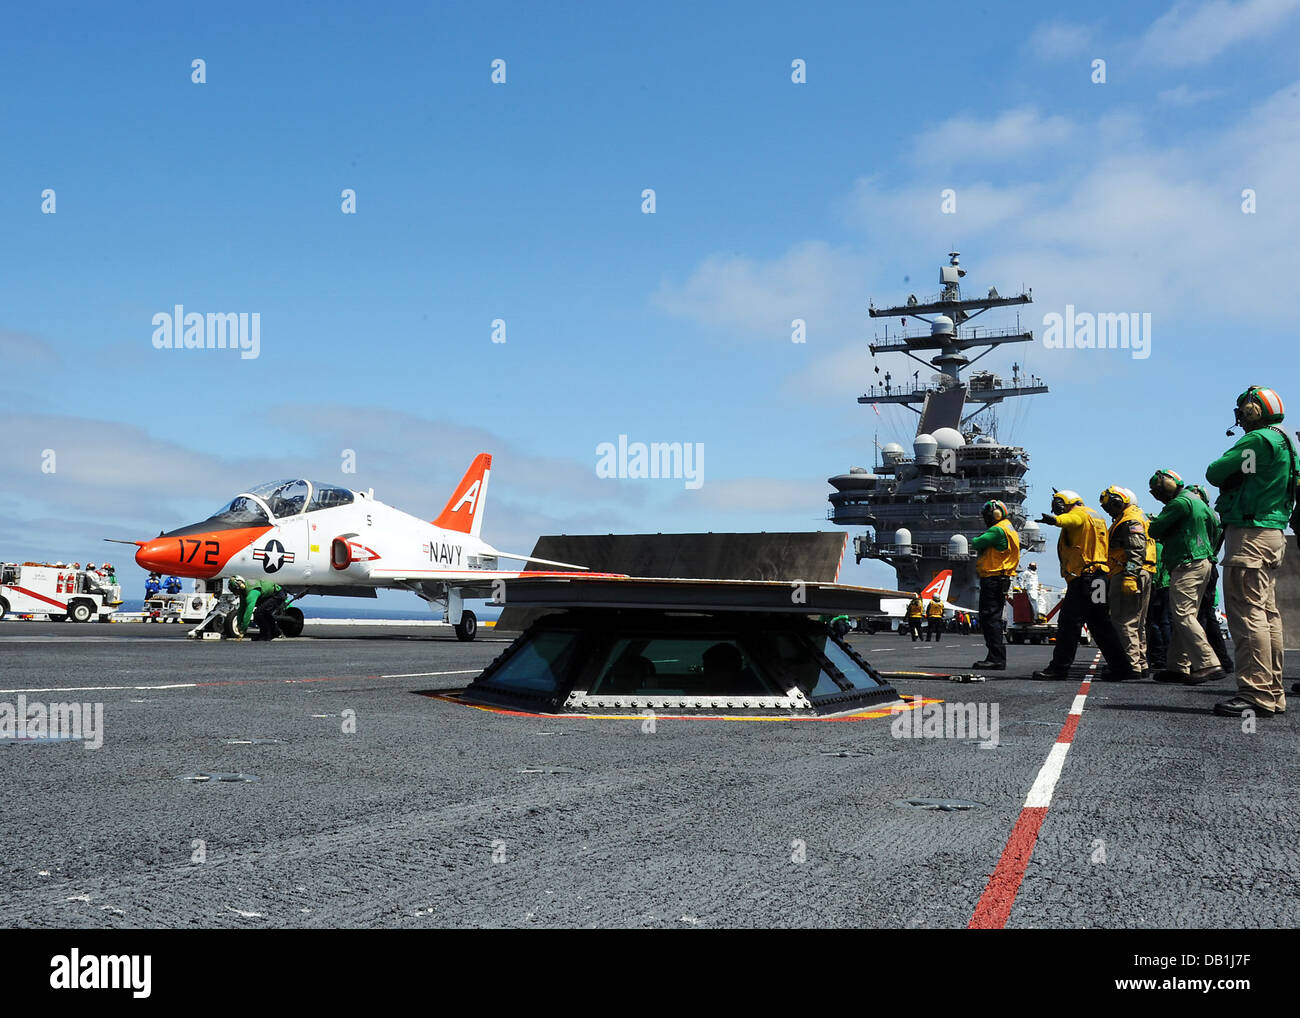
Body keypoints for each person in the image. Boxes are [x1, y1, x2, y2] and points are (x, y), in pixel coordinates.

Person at [1205, 386, 1298, 717]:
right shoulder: (1285, 441)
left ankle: (1255, 692)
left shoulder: (1258, 440)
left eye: (1244, 410)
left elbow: (1215, 472)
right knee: (1267, 614)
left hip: (1250, 533)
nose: (1241, 416)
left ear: (1252, 410)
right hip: (1273, 533)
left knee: (1247, 614)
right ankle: (1272, 691)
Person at [1032, 489, 1133, 680]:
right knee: (1101, 624)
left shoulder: (1077, 514)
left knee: (1068, 623)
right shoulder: (1095, 515)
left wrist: (1054, 520)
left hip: (1084, 579)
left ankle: (1059, 668)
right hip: (1100, 577)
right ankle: (1122, 668)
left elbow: (1071, 520)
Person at [1147, 470, 1226, 684]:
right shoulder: (1202, 505)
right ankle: (1177, 666)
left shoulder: (1179, 503)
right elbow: (1217, 532)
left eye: (1157, 491)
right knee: (1186, 614)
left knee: (1182, 614)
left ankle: (1209, 663)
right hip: (1204, 562)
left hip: (1186, 563)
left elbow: (1154, 530)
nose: (1157, 495)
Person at [1099, 486, 1155, 679]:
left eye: (1109, 505)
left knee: (1123, 621)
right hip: (1141, 573)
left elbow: (1136, 549)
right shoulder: (1137, 516)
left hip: (1127, 572)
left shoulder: (1130, 520)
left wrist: (1130, 576)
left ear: (1118, 501)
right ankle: (1140, 663)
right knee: (1138, 621)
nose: (1108, 510)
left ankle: (1128, 665)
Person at [1186, 484, 1233, 673]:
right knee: (1207, 615)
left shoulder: (1200, 516)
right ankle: (1222, 660)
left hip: (1200, 563)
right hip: (1210, 564)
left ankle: (1204, 662)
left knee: (1199, 616)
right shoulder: (1214, 516)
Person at [971, 498, 1019, 669]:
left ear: (996, 514)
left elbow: (976, 542)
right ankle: (996, 656)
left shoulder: (998, 530)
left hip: (993, 578)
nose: (986, 518)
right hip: (1001, 578)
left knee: (989, 618)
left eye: (987, 515)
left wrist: (980, 542)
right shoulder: (1009, 527)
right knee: (994, 617)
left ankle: (996, 658)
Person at [228, 575, 286, 641]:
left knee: (259, 613)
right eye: (234, 591)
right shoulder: (243, 593)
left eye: (236, 590)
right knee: (262, 613)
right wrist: (238, 624)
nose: (236, 593)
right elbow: (241, 609)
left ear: (241, 586)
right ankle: (274, 632)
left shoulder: (252, 592)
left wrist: (243, 630)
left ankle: (268, 634)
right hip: (269, 596)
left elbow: (248, 611)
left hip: (277, 594)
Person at [1145, 538, 1172, 671]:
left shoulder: (1156, 547)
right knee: (1165, 622)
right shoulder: (1167, 545)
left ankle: (1157, 656)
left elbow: (1156, 568)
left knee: (1154, 623)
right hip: (1168, 585)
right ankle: (1166, 656)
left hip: (1158, 587)